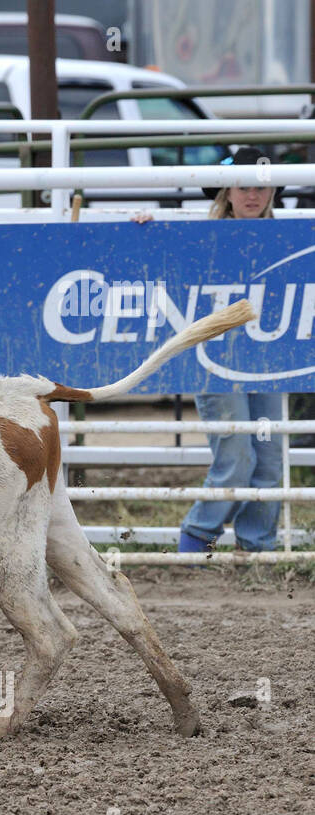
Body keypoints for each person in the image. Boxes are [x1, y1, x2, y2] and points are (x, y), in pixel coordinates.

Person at [174, 147, 284, 552]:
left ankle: (257, 548)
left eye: (261, 186)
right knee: (239, 457)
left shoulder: (287, 236)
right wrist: (142, 227)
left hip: (269, 358)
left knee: (269, 459)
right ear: (227, 191)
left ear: (272, 191)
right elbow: (162, 256)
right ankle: (197, 538)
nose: (253, 195)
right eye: (243, 186)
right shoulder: (200, 238)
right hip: (216, 361)